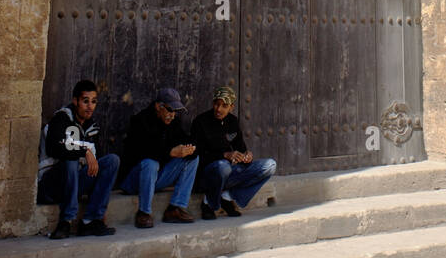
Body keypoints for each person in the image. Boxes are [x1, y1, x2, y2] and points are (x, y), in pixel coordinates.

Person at [37, 78, 119, 240]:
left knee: (112, 161)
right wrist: (84, 151)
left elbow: (95, 164)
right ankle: (66, 221)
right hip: (51, 184)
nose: (90, 107)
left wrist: (88, 155)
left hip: (75, 184)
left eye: (94, 102)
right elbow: (55, 148)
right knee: (71, 159)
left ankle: (90, 220)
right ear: (75, 101)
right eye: (85, 101)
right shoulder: (61, 119)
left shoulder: (92, 127)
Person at [192, 85, 277, 219]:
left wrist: (246, 156)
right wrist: (224, 155)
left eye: (224, 106)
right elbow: (196, 155)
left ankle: (228, 197)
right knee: (222, 166)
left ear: (231, 107)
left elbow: (241, 147)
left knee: (270, 165)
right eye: (216, 104)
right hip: (208, 174)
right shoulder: (200, 122)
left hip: (229, 172)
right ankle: (208, 203)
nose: (218, 109)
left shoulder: (233, 121)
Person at [118, 87, 199, 228]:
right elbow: (142, 152)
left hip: (156, 179)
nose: (172, 115)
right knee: (150, 163)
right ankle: (144, 212)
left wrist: (189, 149)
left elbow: (186, 139)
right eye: (169, 110)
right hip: (134, 181)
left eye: (175, 111)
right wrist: (171, 152)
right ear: (158, 106)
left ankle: (175, 208)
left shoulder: (173, 122)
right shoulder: (140, 121)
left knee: (192, 159)